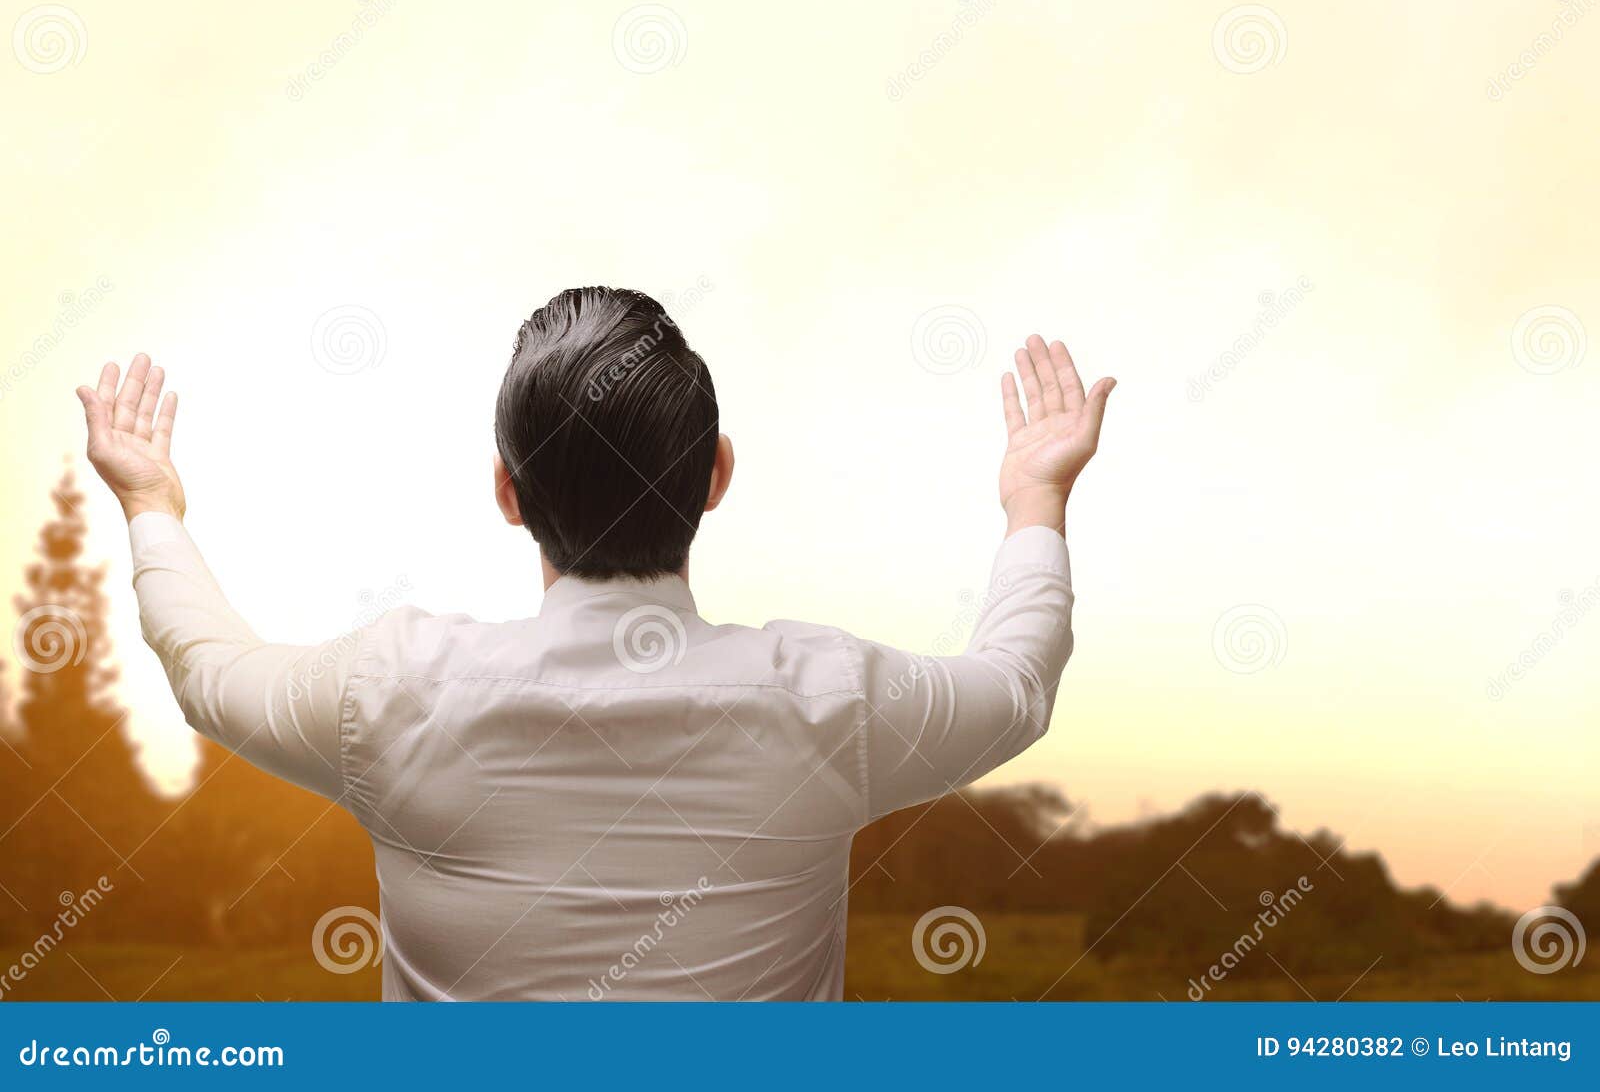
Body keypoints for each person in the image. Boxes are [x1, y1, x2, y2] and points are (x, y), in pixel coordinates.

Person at [75, 286, 1114, 1000]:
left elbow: (209, 672)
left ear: (505, 492)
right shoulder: (825, 700)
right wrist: (1036, 494)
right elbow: (1016, 683)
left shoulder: (389, 692)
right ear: (716, 476)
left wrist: (151, 504)